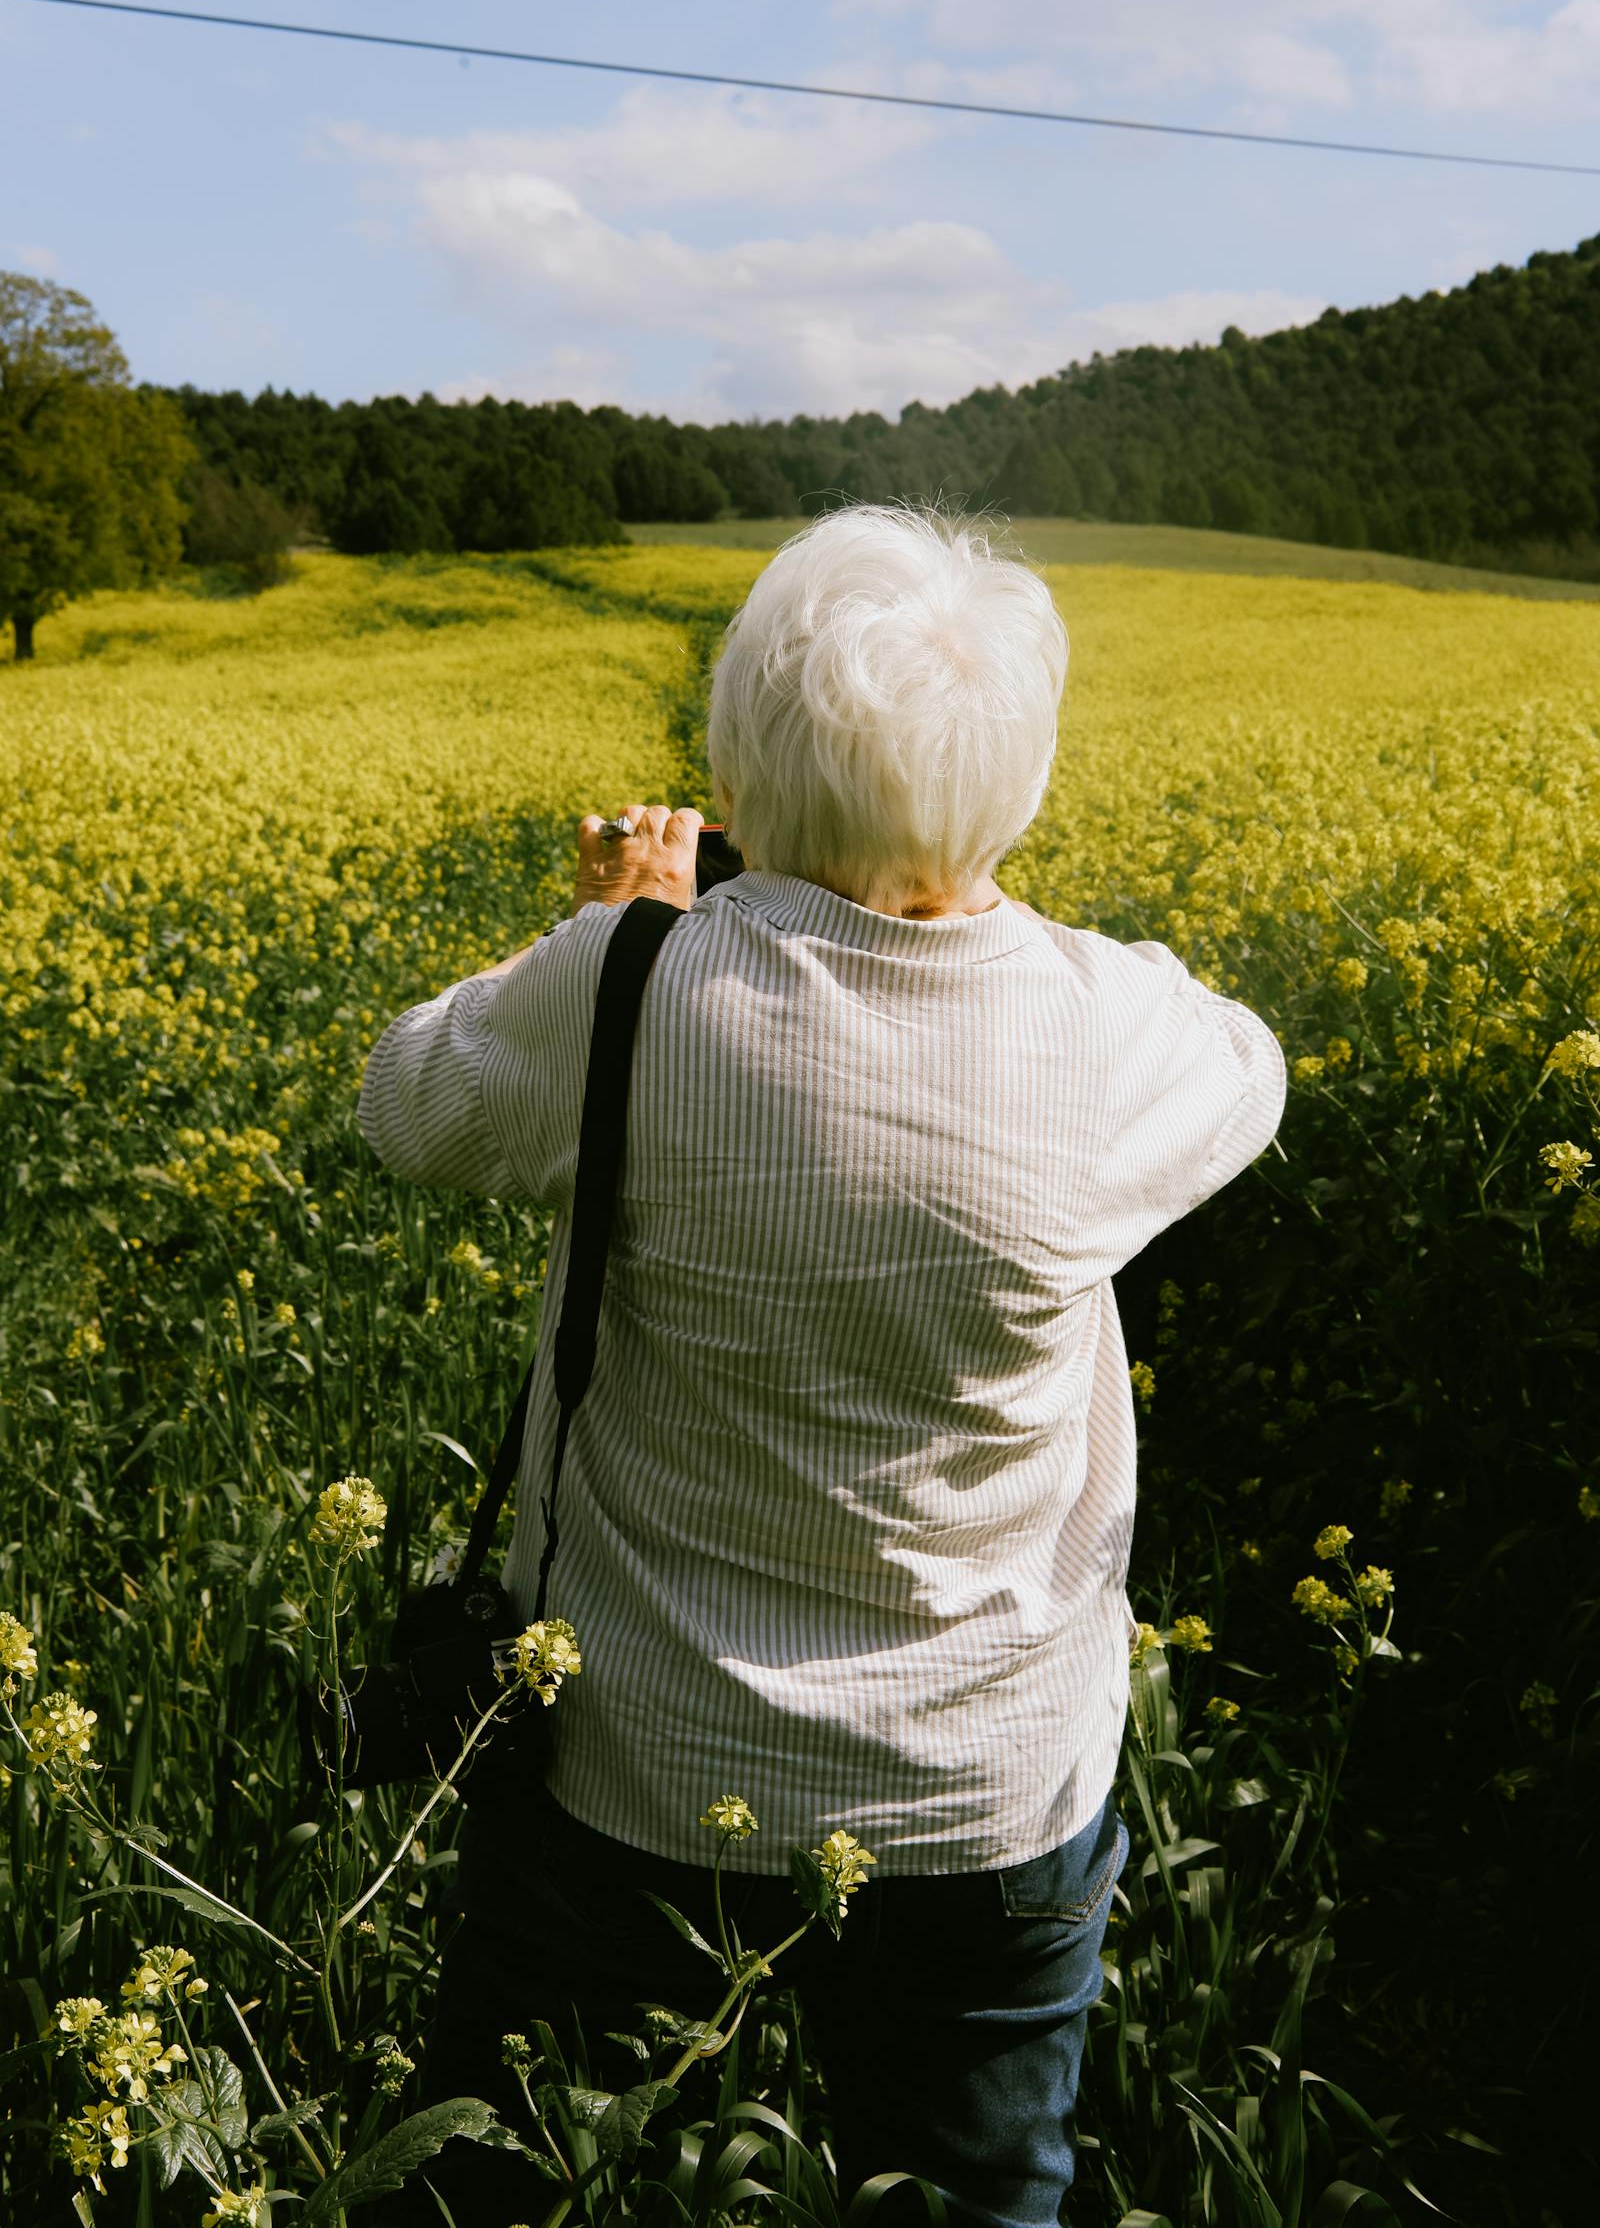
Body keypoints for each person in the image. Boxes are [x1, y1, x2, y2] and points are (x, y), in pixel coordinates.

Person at [355, 503, 1287, 2227]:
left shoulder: (635, 986)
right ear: (1022, 782)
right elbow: (1249, 1064)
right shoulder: (1102, 1028)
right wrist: (967, 894)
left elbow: (407, 1096)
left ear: (734, 762)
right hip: (983, 1799)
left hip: (630, 1761)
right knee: (980, 2189)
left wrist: (616, 924)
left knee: (516, 2169)